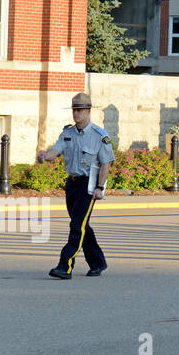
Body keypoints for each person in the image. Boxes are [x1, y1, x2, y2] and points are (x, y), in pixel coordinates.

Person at [37, 92, 114, 279]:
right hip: (71, 184)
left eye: (79, 110)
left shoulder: (99, 136)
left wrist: (100, 187)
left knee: (76, 226)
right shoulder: (68, 133)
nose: (76, 114)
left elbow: (106, 163)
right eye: (74, 110)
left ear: (88, 111)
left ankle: (65, 265)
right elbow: (57, 149)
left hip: (89, 185)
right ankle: (98, 262)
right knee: (81, 225)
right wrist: (45, 156)